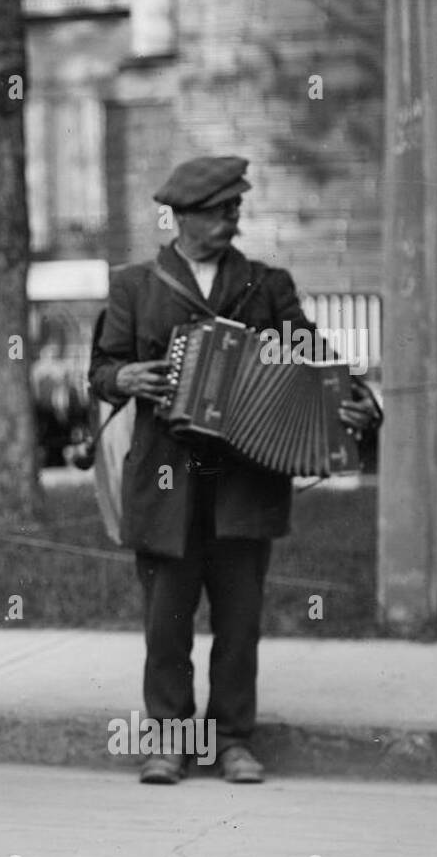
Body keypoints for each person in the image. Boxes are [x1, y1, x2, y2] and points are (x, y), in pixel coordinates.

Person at [88, 156, 382, 786]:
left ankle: (232, 742)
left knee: (239, 625)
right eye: (221, 211)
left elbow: (313, 358)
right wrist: (125, 377)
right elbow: (102, 370)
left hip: (246, 481)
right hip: (165, 482)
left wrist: (357, 398)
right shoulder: (135, 285)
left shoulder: (266, 285)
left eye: (235, 211)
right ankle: (169, 742)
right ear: (183, 217)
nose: (231, 221)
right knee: (167, 627)